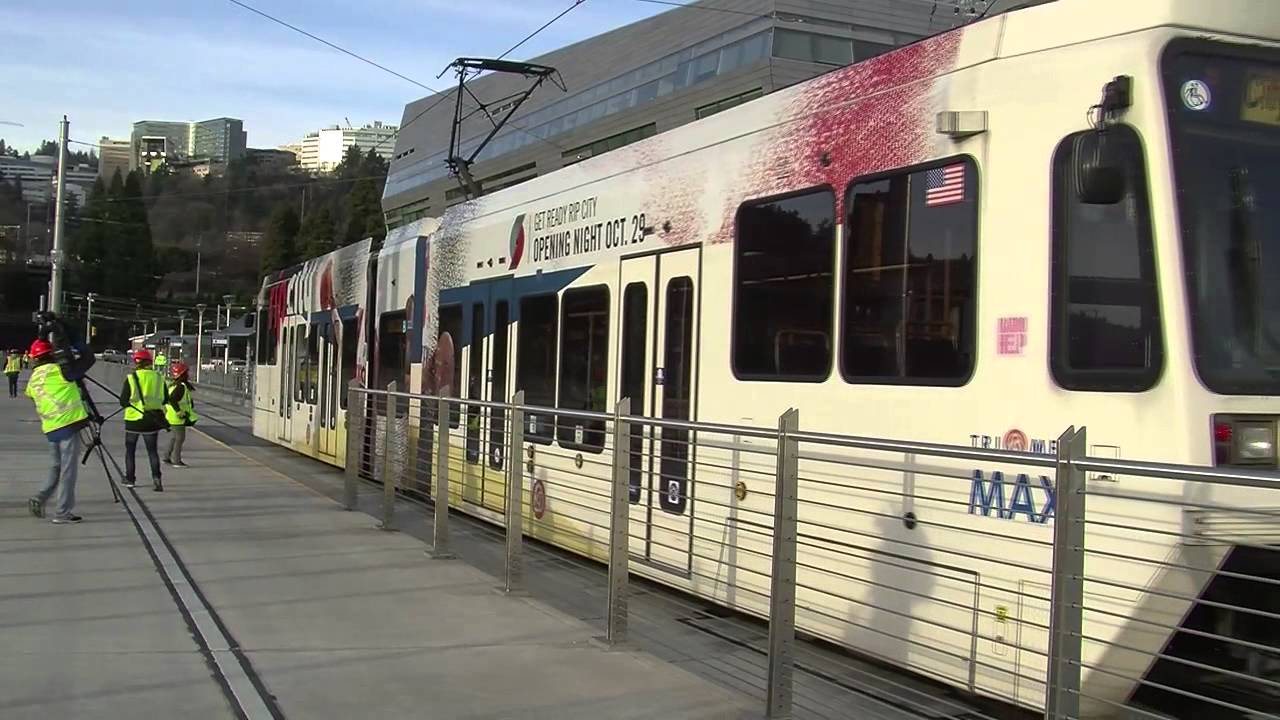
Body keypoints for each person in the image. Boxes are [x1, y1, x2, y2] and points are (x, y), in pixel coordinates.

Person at [25, 338, 90, 524]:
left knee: (56, 467)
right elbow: (88, 359)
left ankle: (40, 497)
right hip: (68, 425)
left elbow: (33, 396)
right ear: (51, 354)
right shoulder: (63, 371)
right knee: (68, 471)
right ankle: (62, 512)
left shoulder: (33, 379)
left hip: (51, 429)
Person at [119, 349, 166, 491]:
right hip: (151, 420)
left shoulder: (131, 378)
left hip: (134, 420)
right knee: (152, 451)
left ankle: (130, 479)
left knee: (130, 451)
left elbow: (123, 401)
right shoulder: (158, 377)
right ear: (149, 362)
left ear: (136, 362)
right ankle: (157, 479)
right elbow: (165, 398)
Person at [163, 362, 198, 468]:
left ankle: (167, 457)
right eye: (186, 372)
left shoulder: (173, 385)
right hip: (177, 417)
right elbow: (172, 399)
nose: (188, 374)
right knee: (180, 438)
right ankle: (176, 460)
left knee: (174, 437)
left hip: (171, 416)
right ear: (183, 374)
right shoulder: (180, 387)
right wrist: (179, 411)